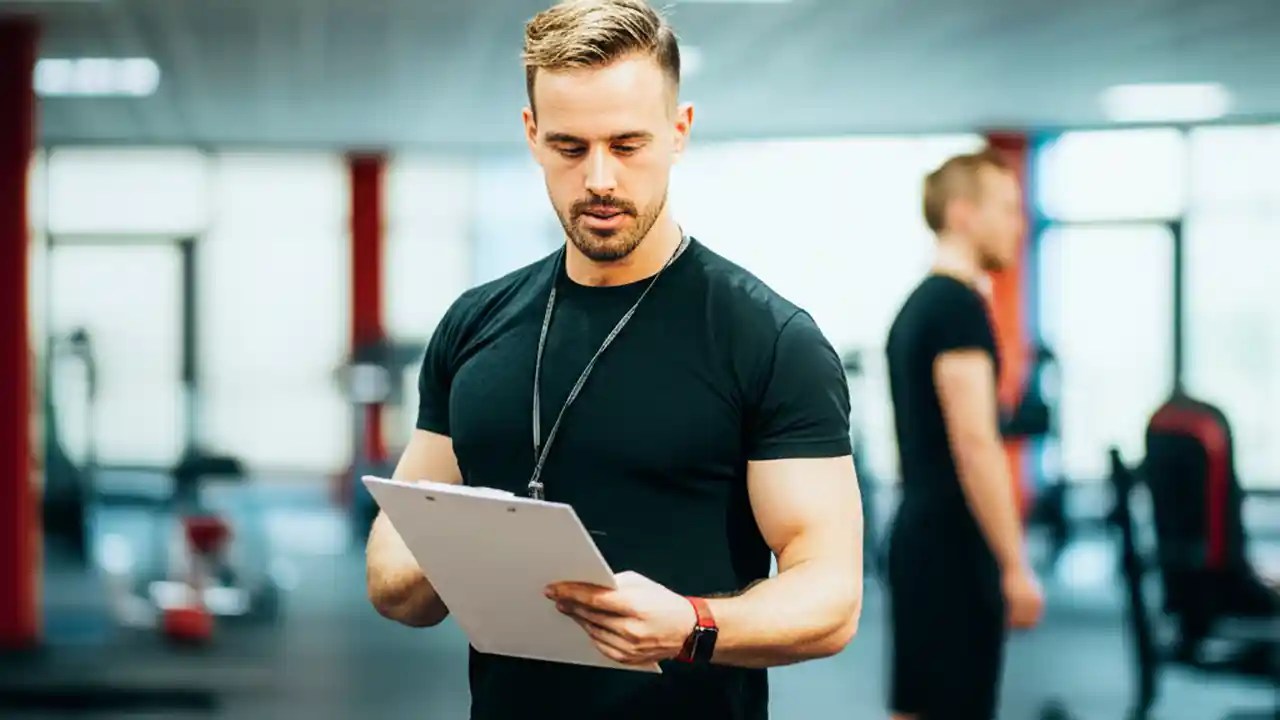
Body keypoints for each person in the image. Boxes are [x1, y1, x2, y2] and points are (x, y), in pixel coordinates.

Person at [364, 1, 863, 718]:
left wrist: (692, 626)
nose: (599, 178)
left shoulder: (769, 338)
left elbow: (832, 596)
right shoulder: (475, 324)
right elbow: (394, 568)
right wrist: (447, 558)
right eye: (571, 147)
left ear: (679, 132)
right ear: (533, 135)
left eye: (627, 145)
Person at [884, 148, 1045, 720]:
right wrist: (1014, 564)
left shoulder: (921, 305)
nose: (1018, 224)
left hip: (925, 537)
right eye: (1005, 208)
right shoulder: (956, 308)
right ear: (961, 214)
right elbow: (976, 445)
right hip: (950, 543)